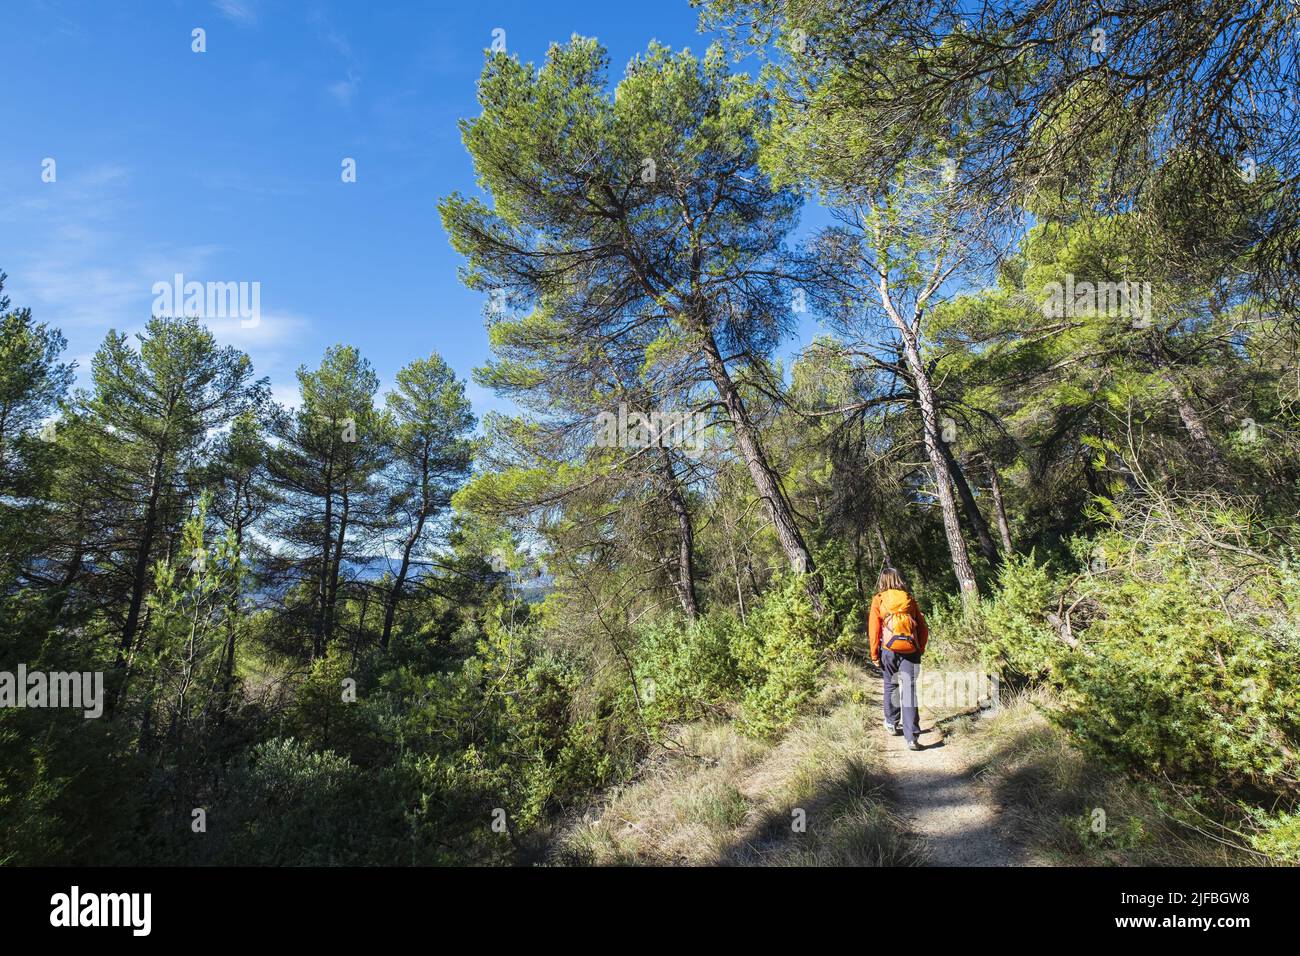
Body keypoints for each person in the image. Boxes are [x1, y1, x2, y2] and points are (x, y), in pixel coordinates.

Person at [869, 568, 928, 751]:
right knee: (909, 689)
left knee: (890, 684)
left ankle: (892, 723)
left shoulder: (878, 599)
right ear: (898, 579)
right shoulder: (908, 598)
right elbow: (922, 626)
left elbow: (874, 630)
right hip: (911, 649)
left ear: (882, 581)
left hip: (888, 650)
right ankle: (912, 737)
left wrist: (874, 655)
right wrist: (921, 647)